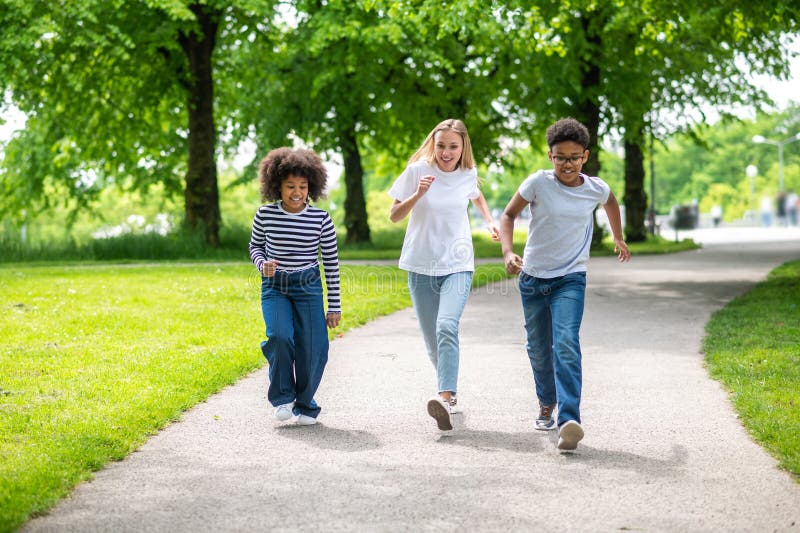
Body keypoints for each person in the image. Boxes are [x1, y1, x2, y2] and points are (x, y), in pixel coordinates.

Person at [499, 118, 630, 451]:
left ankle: (569, 419)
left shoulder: (594, 188)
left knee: (567, 342)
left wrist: (618, 236)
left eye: (574, 157)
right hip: (532, 278)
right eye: (560, 157)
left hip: (571, 278)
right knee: (540, 350)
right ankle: (547, 402)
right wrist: (508, 251)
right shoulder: (537, 183)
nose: (567, 164)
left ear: (585, 156)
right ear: (550, 156)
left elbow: (611, 201)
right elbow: (509, 214)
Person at [388, 118, 500, 431]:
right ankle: (449, 388)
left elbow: (474, 193)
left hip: (458, 263)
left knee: (447, 325)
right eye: (441, 146)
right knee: (432, 341)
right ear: (433, 145)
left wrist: (489, 220)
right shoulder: (417, 172)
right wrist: (417, 195)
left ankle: (446, 398)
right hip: (421, 263)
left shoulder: (468, 174)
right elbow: (394, 215)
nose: (446, 152)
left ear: (463, 147)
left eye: (453, 146)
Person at [249, 147, 341, 426]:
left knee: (314, 348)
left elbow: (332, 264)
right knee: (279, 337)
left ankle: (305, 405)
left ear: (311, 187)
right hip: (275, 287)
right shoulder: (265, 215)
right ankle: (282, 398)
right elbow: (255, 246)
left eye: (302, 186)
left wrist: (334, 306)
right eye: (290, 186)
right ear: (277, 186)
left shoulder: (321, 219)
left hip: (308, 286)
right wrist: (262, 263)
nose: (297, 192)